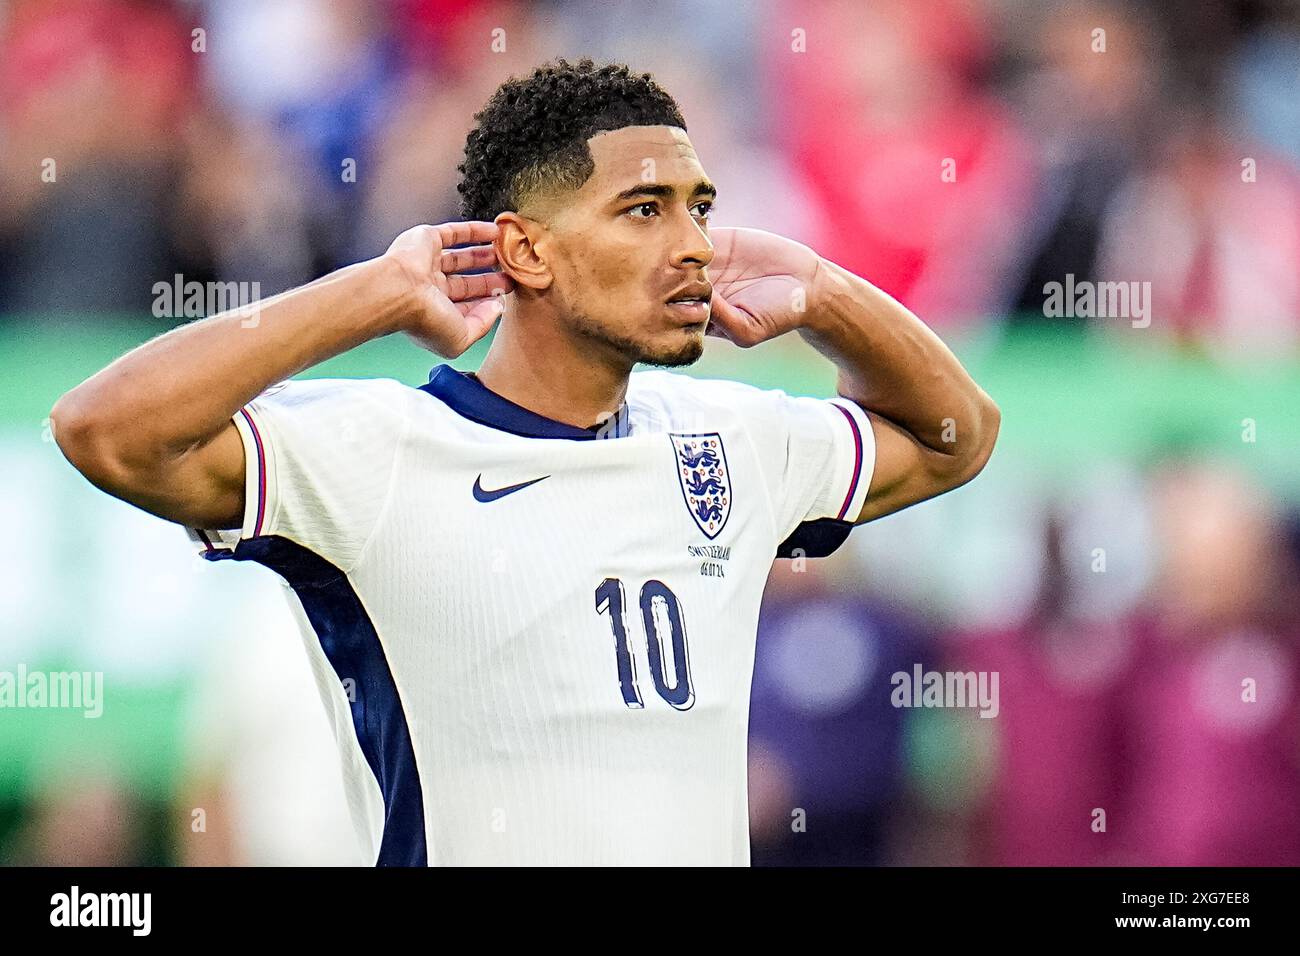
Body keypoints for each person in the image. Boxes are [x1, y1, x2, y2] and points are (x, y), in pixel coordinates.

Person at [50, 58, 999, 866]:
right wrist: (373, 293)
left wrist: (828, 293)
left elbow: (958, 436)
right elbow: (103, 429)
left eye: (698, 208)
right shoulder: (376, 453)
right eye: (643, 210)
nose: (695, 246)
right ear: (524, 253)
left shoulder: (732, 437)